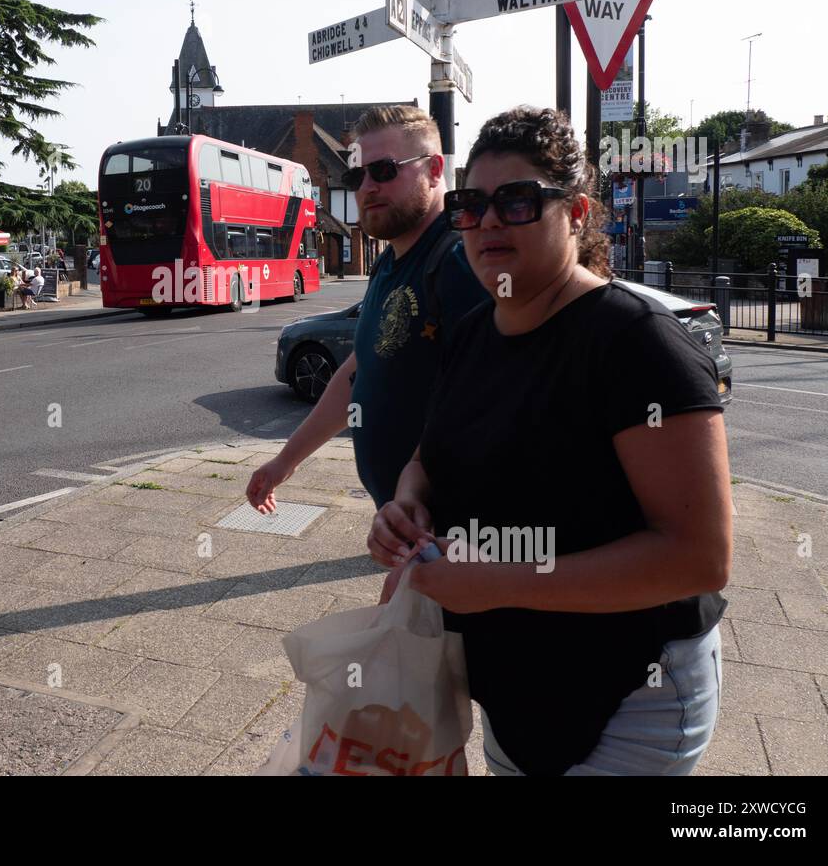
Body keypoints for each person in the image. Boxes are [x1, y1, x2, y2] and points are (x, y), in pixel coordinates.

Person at [374, 105, 732, 776]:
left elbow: (699, 557)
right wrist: (405, 502)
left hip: (629, 696)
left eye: (516, 202)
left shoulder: (635, 342)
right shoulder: (475, 333)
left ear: (576, 213)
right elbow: (430, 454)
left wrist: (499, 581)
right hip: (512, 696)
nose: (486, 222)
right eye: (471, 204)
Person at [246, 105, 487, 514]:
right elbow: (361, 369)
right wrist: (286, 461)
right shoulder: (389, 263)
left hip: (451, 527)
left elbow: (490, 403)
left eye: (385, 171)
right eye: (357, 175)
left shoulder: (461, 260)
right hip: (404, 523)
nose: (367, 187)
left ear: (433, 170)